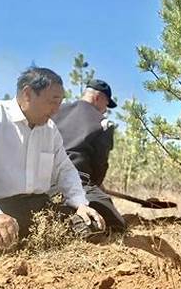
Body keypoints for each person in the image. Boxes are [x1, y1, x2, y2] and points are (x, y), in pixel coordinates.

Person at [0, 67, 106, 263]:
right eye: (52, 101)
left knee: (89, 227)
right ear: (28, 93)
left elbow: (65, 169)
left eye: (60, 102)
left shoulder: (50, 130)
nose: (57, 110)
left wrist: (80, 204)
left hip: (34, 207)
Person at [52, 79, 126, 233]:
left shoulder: (56, 110)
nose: (105, 110)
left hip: (43, 181)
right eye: (106, 104)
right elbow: (100, 164)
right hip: (79, 182)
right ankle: (74, 221)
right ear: (98, 98)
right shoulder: (103, 123)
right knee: (117, 224)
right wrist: (97, 184)